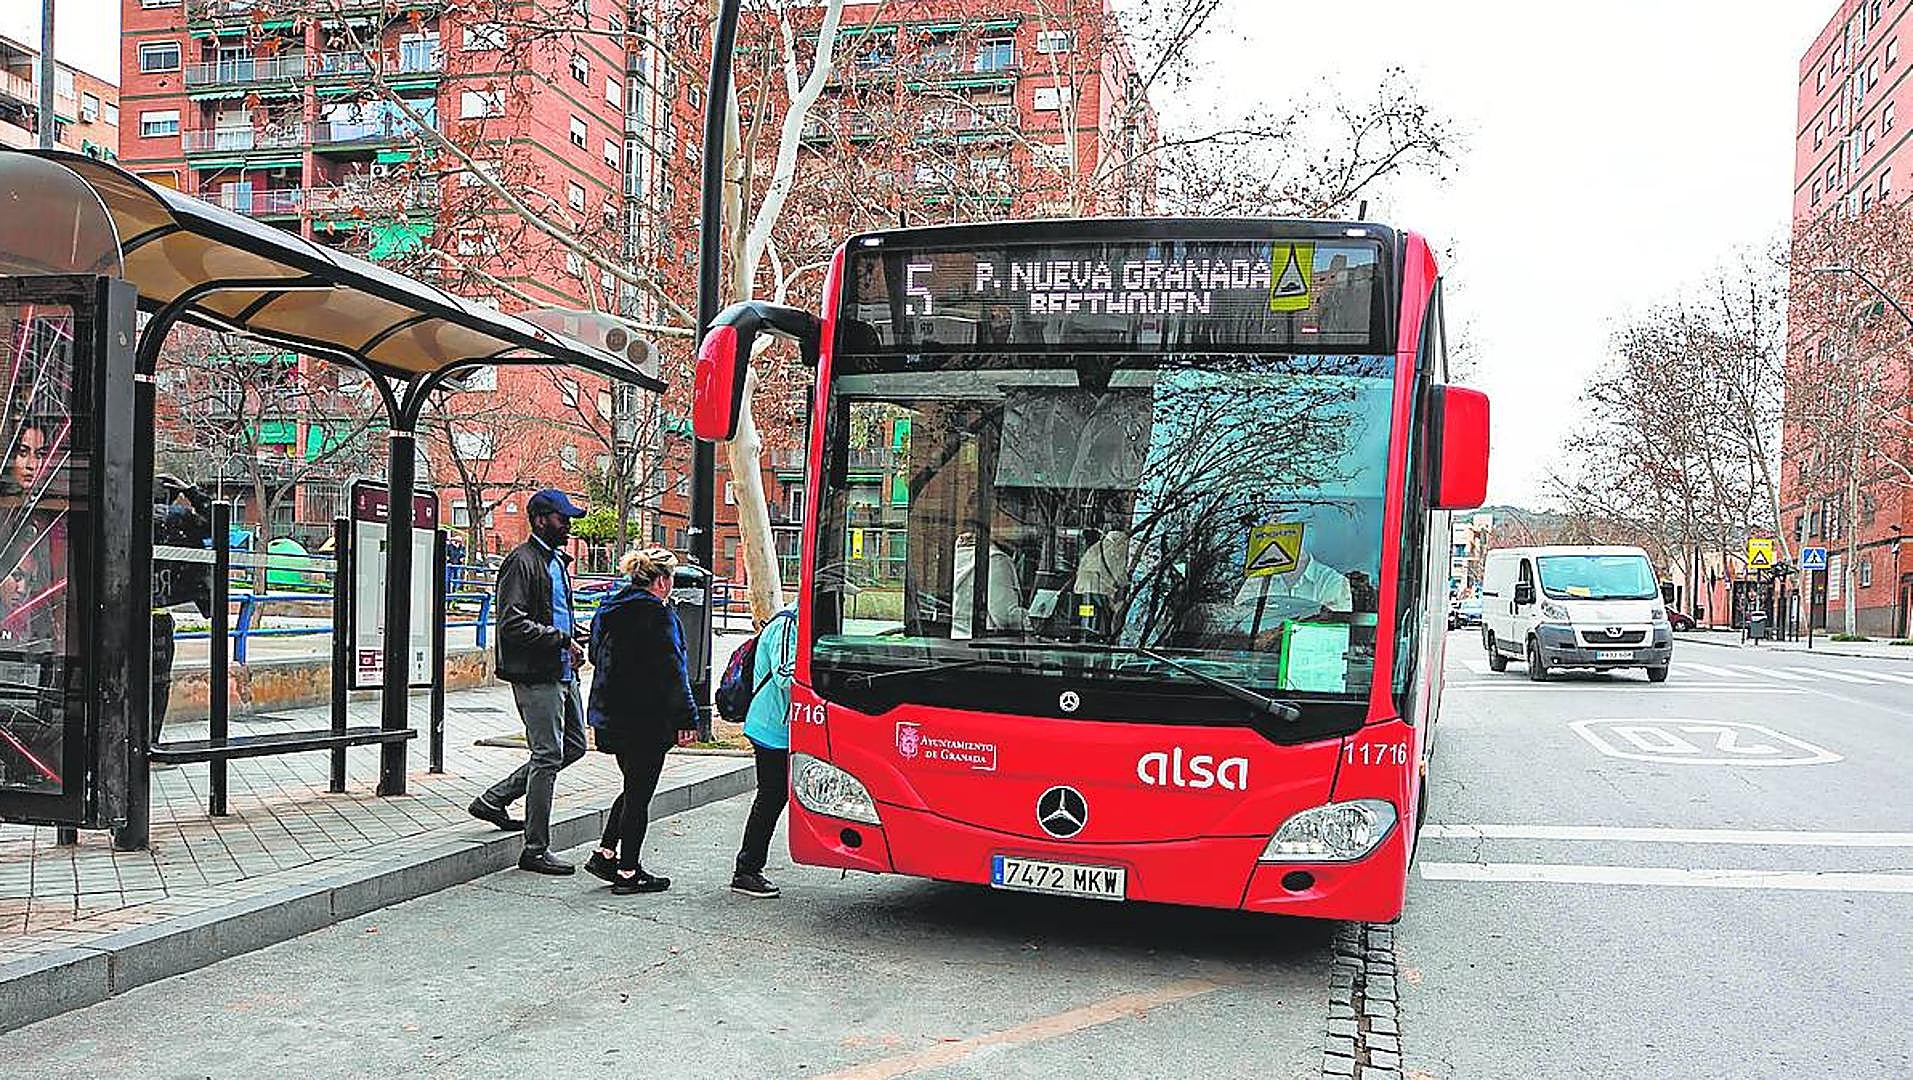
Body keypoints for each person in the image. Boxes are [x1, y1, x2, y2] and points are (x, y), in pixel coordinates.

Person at [471, 489, 591, 875]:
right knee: (547, 756)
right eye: (562, 519)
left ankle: (494, 799)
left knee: (573, 747)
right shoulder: (521, 562)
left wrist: (577, 634)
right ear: (540, 520)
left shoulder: (557, 561)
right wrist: (560, 639)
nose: (568, 526)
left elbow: (555, 615)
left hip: (562, 670)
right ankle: (535, 849)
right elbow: (511, 622)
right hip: (536, 674)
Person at [580, 546, 697, 894]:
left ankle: (605, 853)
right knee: (639, 794)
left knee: (633, 786)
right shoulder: (658, 615)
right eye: (671, 578)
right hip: (646, 718)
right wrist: (687, 716)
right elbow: (673, 670)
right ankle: (629, 871)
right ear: (661, 580)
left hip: (611, 714)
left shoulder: (610, 607)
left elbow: (594, 653)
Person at [731, 599, 797, 899]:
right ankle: (746, 869)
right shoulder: (786, 624)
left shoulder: (796, 623)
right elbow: (785, 675)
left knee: (774, 795)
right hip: (770, 727)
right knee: (771, 796)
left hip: (781, 726)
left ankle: (749, 866)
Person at [951, 530, 1026, 638]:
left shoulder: (964, 552)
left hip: (959, 640)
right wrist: (1035, 621)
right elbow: (1005, 617)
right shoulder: (996, 559)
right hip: (981, 642)